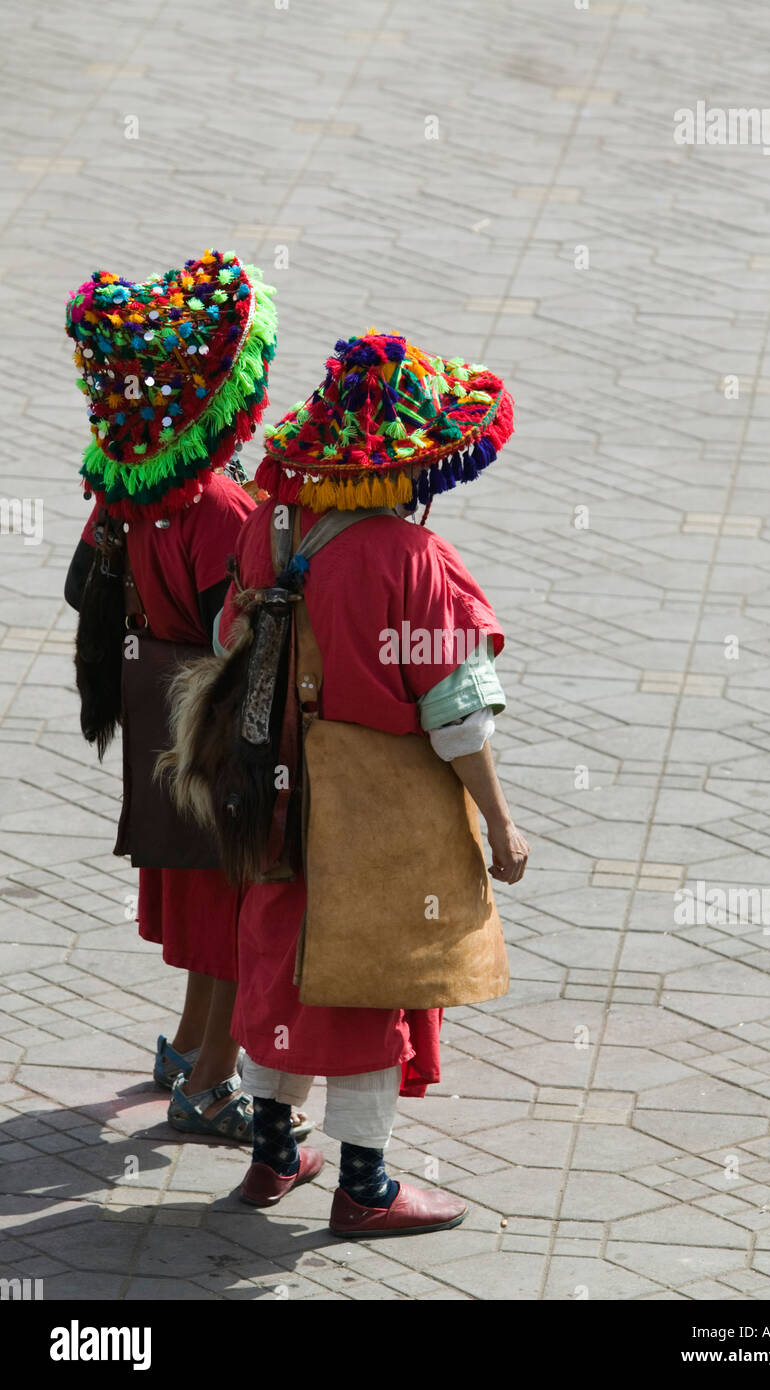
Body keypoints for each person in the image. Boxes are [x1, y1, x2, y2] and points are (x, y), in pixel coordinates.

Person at [217, 332, 529, 1235]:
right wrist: (501, 826)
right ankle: (367, 1185)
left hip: (272, 798)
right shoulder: (412, 561)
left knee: (281, 963)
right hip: (375, 815)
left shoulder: (267, 526)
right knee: (368, 983)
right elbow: (459, 716)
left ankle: (273, 1156)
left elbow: (223, 649)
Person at [62, 250, 310, 1142]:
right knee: (236, 909)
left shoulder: (123, 488)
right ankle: (208, 1084)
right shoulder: (223, 511)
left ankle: (192, 1045)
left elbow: (76, 590)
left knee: (205, 905)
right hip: (209, 732)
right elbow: (234, 640)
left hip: (150, 717)